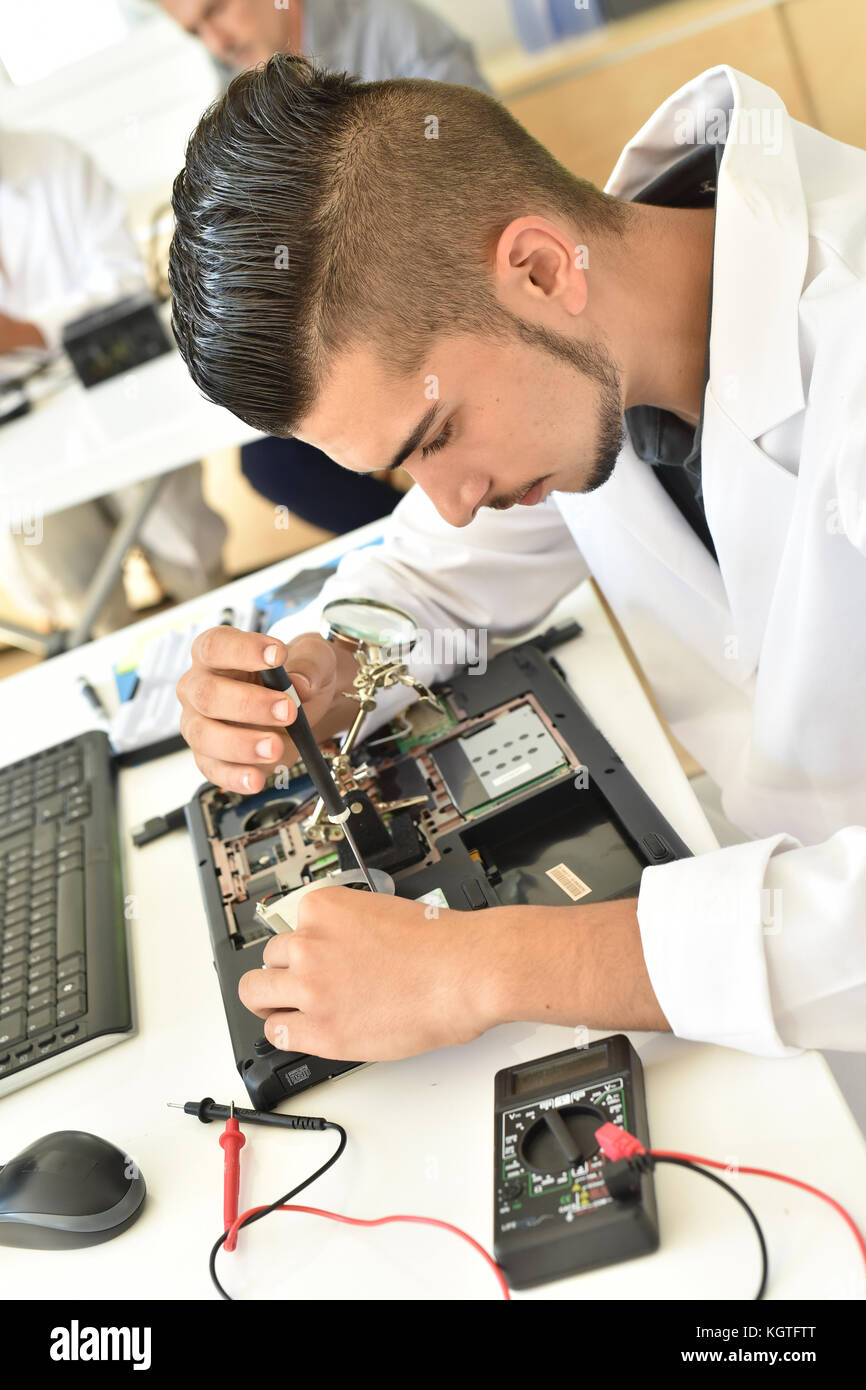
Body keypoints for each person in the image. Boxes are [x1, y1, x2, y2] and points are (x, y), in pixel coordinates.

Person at [170, 56, 866, 1063]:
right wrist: (324, 670)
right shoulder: (603, 330)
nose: (448, 506)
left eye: (434, 438)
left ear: (539, 267)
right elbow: (428, 580)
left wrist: (477, 965)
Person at [159, 0, 490, 532]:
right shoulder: (237, 79)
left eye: (216, 11)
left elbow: (479, 164)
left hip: (435, 294)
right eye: (195, 31)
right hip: (338, 320)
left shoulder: (389, 24)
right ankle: (423, 541)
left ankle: (466, 534)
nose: (216, 42)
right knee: (272, 459)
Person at [0, 127, 227, 636]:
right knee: (71, 578)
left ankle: (226, 626)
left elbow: (126, 292)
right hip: (15, 435)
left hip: (118, 391)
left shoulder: (53, 161)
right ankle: (122, 672)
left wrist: (27, 331)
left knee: (182, 541)